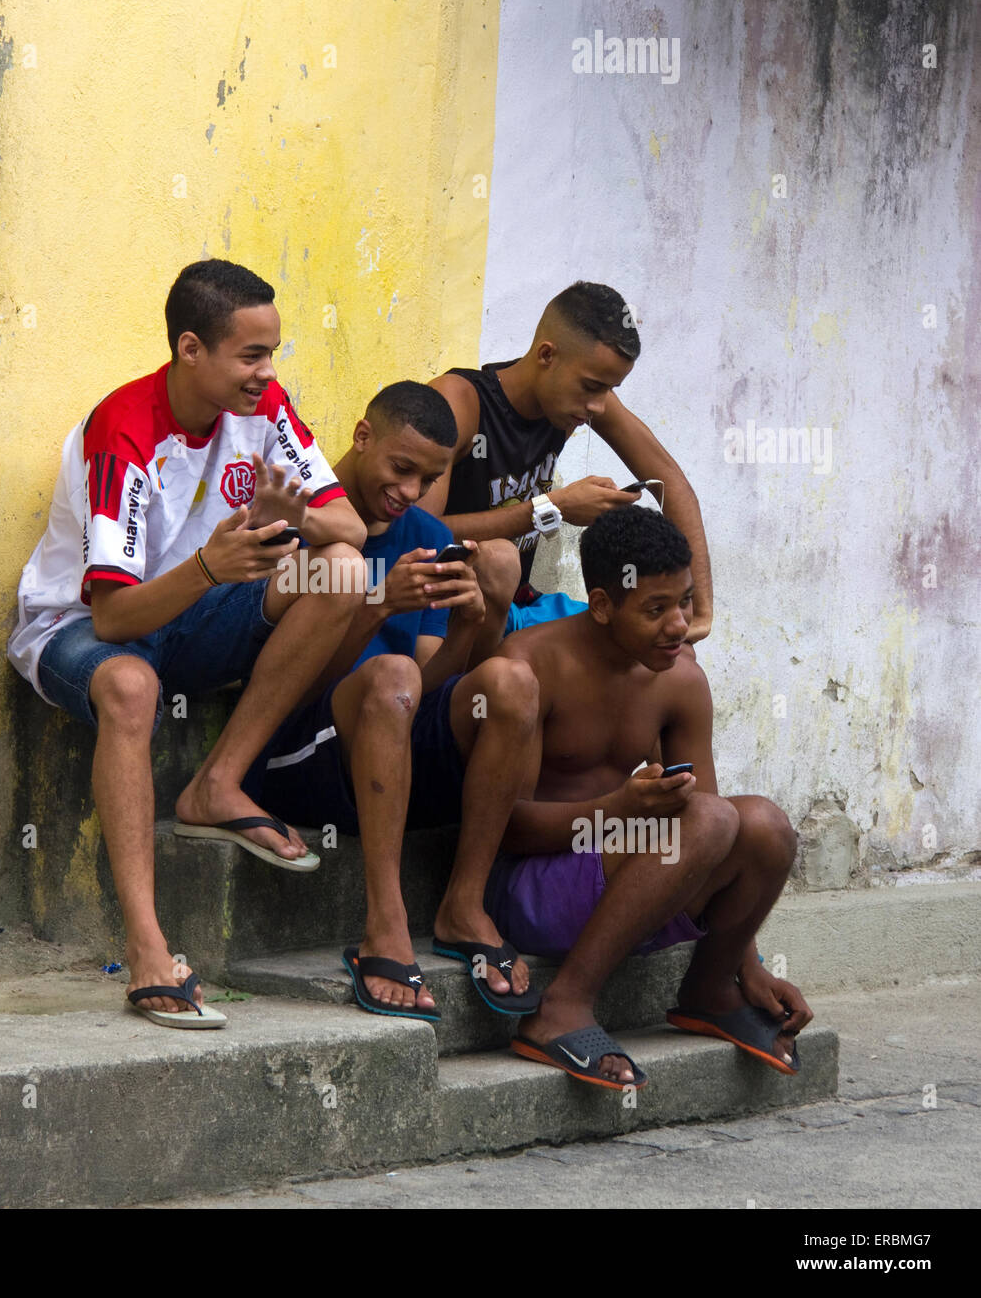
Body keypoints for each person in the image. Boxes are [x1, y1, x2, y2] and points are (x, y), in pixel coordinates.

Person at [7, 259, 367, 1030]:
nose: (267, 373)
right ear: (190, 349)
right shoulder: (125, 429)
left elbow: (350, 527)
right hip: (76, 630)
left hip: (197, 609)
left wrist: (288, 516)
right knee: (132, 684)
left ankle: (217, 784)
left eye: (272, 353)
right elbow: (110, 618)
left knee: (340, 573)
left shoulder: (265, 408)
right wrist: (211, 565)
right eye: (251, 355)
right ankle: (147, 949)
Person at [487, 505, 812, 1088]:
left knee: (764, 823)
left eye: (685, 602)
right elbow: (503, 830)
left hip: (624, 874)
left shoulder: (679, 679)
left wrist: (749, 964)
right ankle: (563, 1004)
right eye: (655, 609)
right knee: (712, 820)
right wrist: (615, 813)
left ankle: (712, 988)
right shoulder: (531, 665)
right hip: (530, 886)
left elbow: (717, 830)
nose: (678, 625)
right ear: (604, 605)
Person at [246, 381, 540, 1020]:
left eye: (429, 477)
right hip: (303, 753)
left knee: (511, 681)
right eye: (401, 468)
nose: (410, 491)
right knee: (389, 675)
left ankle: (464, 906)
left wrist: (471, 624)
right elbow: (292, 686)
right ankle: (386, 922)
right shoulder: (305, 524)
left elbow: (426, 688)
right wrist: (381, 602)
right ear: (361, 437)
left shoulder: (428, 534)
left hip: (389, 739)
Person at [420, 281, 714, 665]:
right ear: (547, 355)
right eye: (592, 386)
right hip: (445, 609)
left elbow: (668, 482)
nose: (597, 405)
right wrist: (550, 508)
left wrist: (701, 612)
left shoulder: (576, 403)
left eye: (609, 389)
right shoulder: (462, 402)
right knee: (499, 560)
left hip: (519, 606)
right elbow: (417, 535)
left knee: (667, 650)